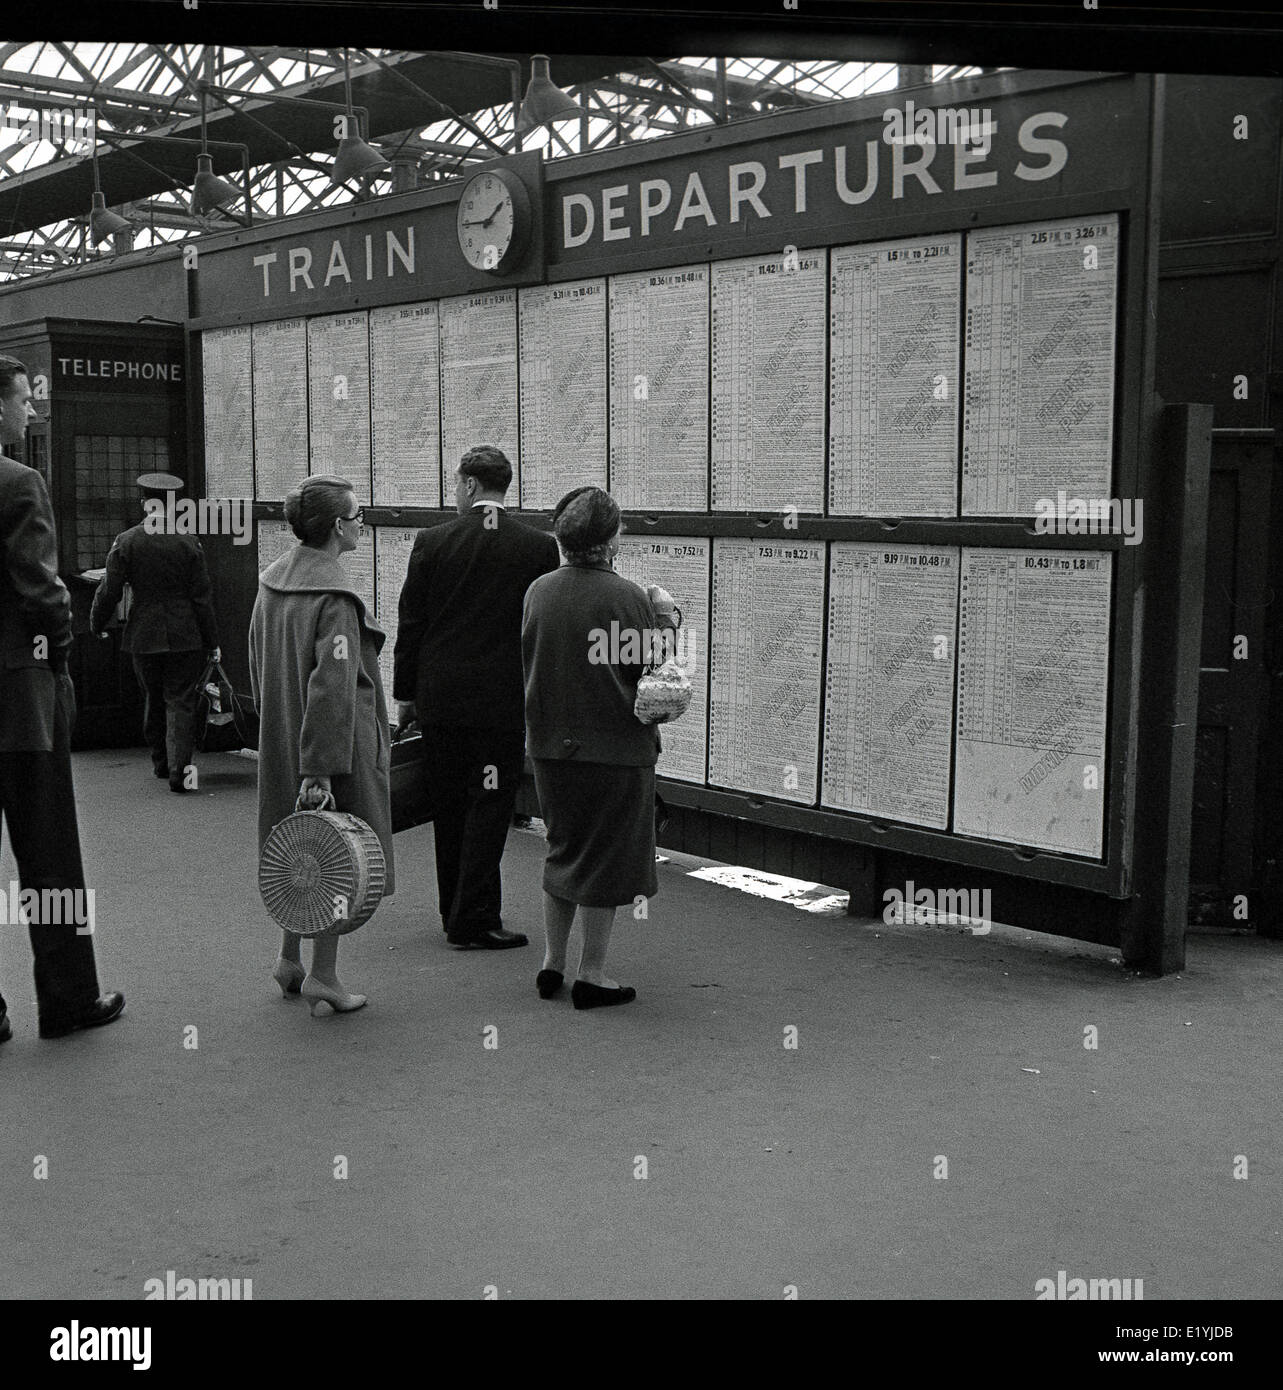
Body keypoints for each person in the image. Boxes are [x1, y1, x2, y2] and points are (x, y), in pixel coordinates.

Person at [0, 353, 125, 1042]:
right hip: (21, 696)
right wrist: (65, 659)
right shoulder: (19, 483)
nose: (32, 412)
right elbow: (42, 590)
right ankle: (69, 998)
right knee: (48, 851)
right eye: (23, 400)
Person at [394, 444, 559, 950]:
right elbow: (536, 631)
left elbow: (412, 624)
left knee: (448, 805)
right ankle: (476, 916)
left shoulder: (432, 541)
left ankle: (454, 911)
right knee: (489, 806)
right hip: (500, 704)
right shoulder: (537, 548)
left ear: (469, 485)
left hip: (440, 699)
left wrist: (406, 696)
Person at [520, 486, 678, 1010]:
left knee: (563, 849)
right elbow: (658, 678)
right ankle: (593, 975)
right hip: (615, 752)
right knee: (607, 861)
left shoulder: (538, 590)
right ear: (610, 539)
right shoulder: (629, 597)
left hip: (549, 748)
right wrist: (667, 622)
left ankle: (552, 963)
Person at [249, 475, 395, 1016]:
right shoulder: (334, 596)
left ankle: (289, 959)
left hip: (284, 734)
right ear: (338, 527)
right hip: (331, 748)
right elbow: (334, 686)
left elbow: (257, 661)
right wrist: (323, 768)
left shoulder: (273, 583)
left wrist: (279, 731)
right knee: (334, 855)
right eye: (358, 517)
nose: (362, 524)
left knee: (295, 847)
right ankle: (325, 976)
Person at [89, 472, 221, 793]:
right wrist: (212, 642)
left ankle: (161, 763)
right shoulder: (189, 542)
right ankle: (180, 770)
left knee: (154, 696)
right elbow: (202, 598)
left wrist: (97, 623)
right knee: (181, 700)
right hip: (186, 634)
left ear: (145, 503)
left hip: (143, 634)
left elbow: (110, 590)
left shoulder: (128, 540)